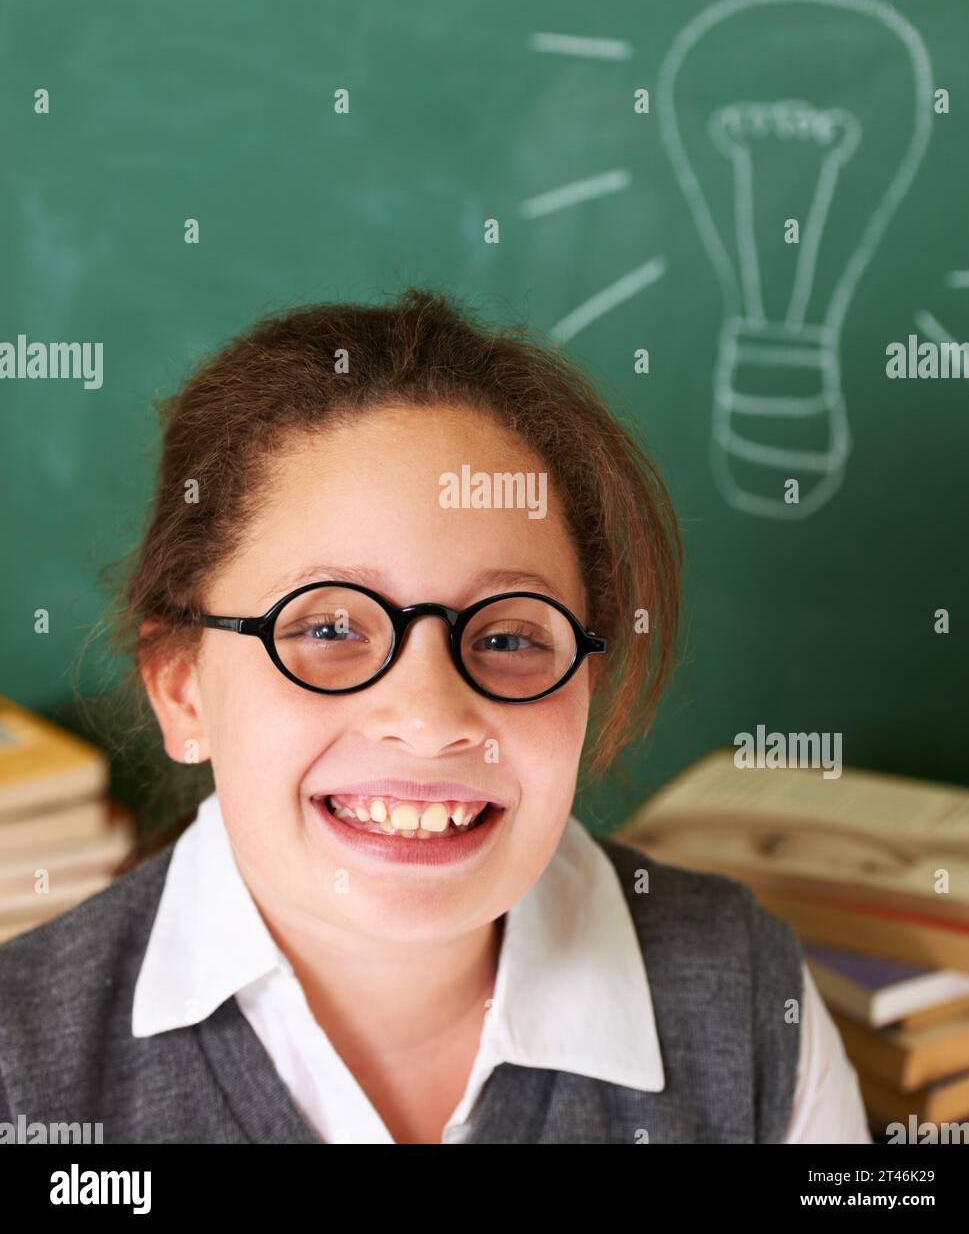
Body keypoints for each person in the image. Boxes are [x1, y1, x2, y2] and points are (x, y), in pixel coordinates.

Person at [0, 287, 871, 1144]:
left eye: (509, 638)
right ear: (181, 689)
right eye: (329, 626)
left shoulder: (752, 1007)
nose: (427, 718)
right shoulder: (24, 1071)